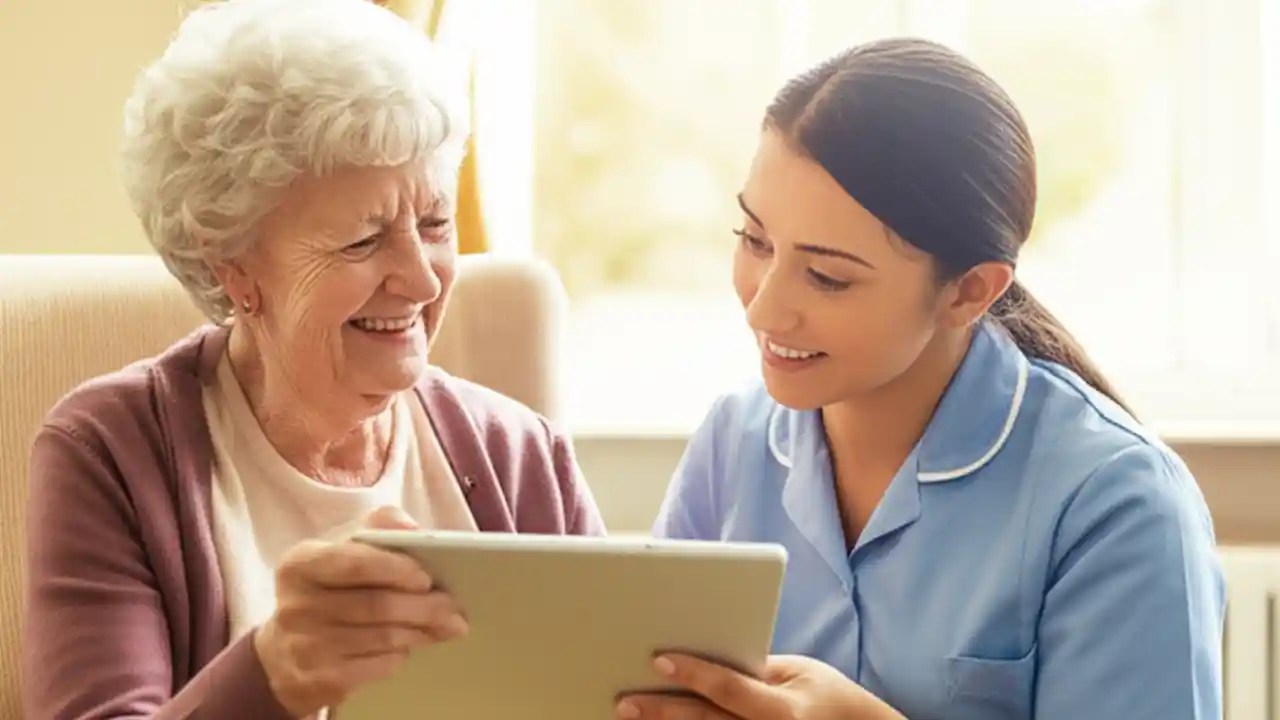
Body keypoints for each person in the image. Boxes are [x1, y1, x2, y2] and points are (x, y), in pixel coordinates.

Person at [22, 0, 604, 717]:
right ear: (234, 267)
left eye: (434, 223)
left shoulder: (522, 457)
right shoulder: (110, 453)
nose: (421, 279)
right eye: (363, 240)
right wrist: (271, 671)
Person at [619, 38, 1224, 719]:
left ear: (969, 291)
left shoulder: (1116, 505)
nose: (762, 306)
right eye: (755, 241)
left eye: (827, 276)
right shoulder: (732, 444)